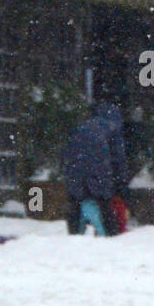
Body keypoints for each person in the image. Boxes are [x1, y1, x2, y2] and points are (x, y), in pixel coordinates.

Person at [62, 100, 127, 237]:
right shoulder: (113, 130)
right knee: (103, 203)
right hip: (98, 171)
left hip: (74, 171)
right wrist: (120, 185)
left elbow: (66, 154)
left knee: (76, 202)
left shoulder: (82, 127)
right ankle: (110, 237)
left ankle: (73, 234)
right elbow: (118, 161)